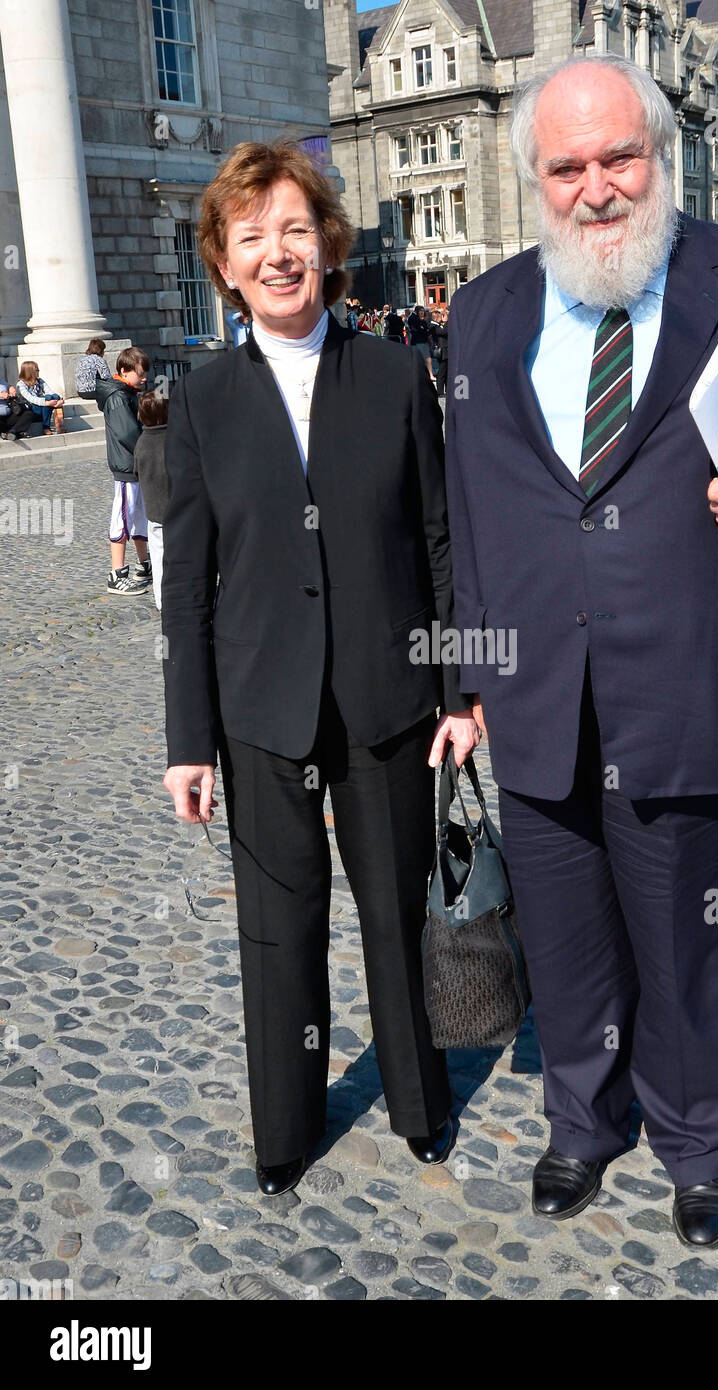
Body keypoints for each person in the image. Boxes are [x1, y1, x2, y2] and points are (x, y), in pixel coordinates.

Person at [445, 54, 718, 1246]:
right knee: (572, 936)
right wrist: (462, 682)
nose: (597, 187)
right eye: (569, 165)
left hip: (699, 681)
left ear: (663, 155)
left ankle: (699, 1140)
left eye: (619, 157)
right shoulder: (482, 313)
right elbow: (469, 512)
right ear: (535, 177)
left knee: (701, 938)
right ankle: (581, 1123)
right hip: (539, 692)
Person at [160, 140, 479, 1199]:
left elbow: (440, 541)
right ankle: (285, 1128)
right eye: (252, 237)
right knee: (278, 928)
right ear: (224, 262)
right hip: (258, 710)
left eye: (295, 229)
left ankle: (420, 1103)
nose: (278, 252)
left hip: (385, 702)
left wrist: (459, 690)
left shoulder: (394, 374)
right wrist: (186, 743)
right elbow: (188, 584)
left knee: (395, 915)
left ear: (329, 244)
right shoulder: (200, 399)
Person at [96, 346, 151, 596]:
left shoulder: (127, 393)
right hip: (126, 466)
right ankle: (116, 574)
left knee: (139, 516)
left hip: (135, 465)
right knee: (123, 519)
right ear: (123, 370)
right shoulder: (118, 397)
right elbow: (129, 433)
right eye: (139, 373)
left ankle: (143, 563)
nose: (144, 377)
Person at [134, 389, 169, 609]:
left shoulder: (141, 443)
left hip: (155, 512)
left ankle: (161, 599)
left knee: (158, 557)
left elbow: (136, 472)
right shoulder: (176, 439)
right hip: (181, 511)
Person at [17, 361, 64, 434]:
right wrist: (46, 402)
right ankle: (46, 427)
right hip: (32, 409)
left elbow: (50, 391)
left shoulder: (39, 381)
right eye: (37, 370)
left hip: (43, 407)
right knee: (47, 401)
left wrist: (60, 400)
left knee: (51, 396)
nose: (39, 371)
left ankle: (47, 427)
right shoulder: (21, 384)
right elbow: (30, 398)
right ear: (30, 371)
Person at [407, 305, 434, 379]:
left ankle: (429, 374)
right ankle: (429, 374)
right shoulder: (416, 319)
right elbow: (420, 331)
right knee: (426, 359)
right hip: (419, 341)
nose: (422, 312)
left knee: (426, 359)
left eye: (423, 311)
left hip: (421, 341)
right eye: (420, 311)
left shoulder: (421, 320)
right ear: (417, 311)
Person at [431, 306, 449, 396]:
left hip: (445, 351)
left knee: (446, 372)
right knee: (441, 372)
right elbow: (444, 332)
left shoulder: (438, 325)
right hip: (441, 352)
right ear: (437, 318)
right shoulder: (433, 326)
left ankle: (447, 389)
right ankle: (440, 391)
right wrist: (446, 322)